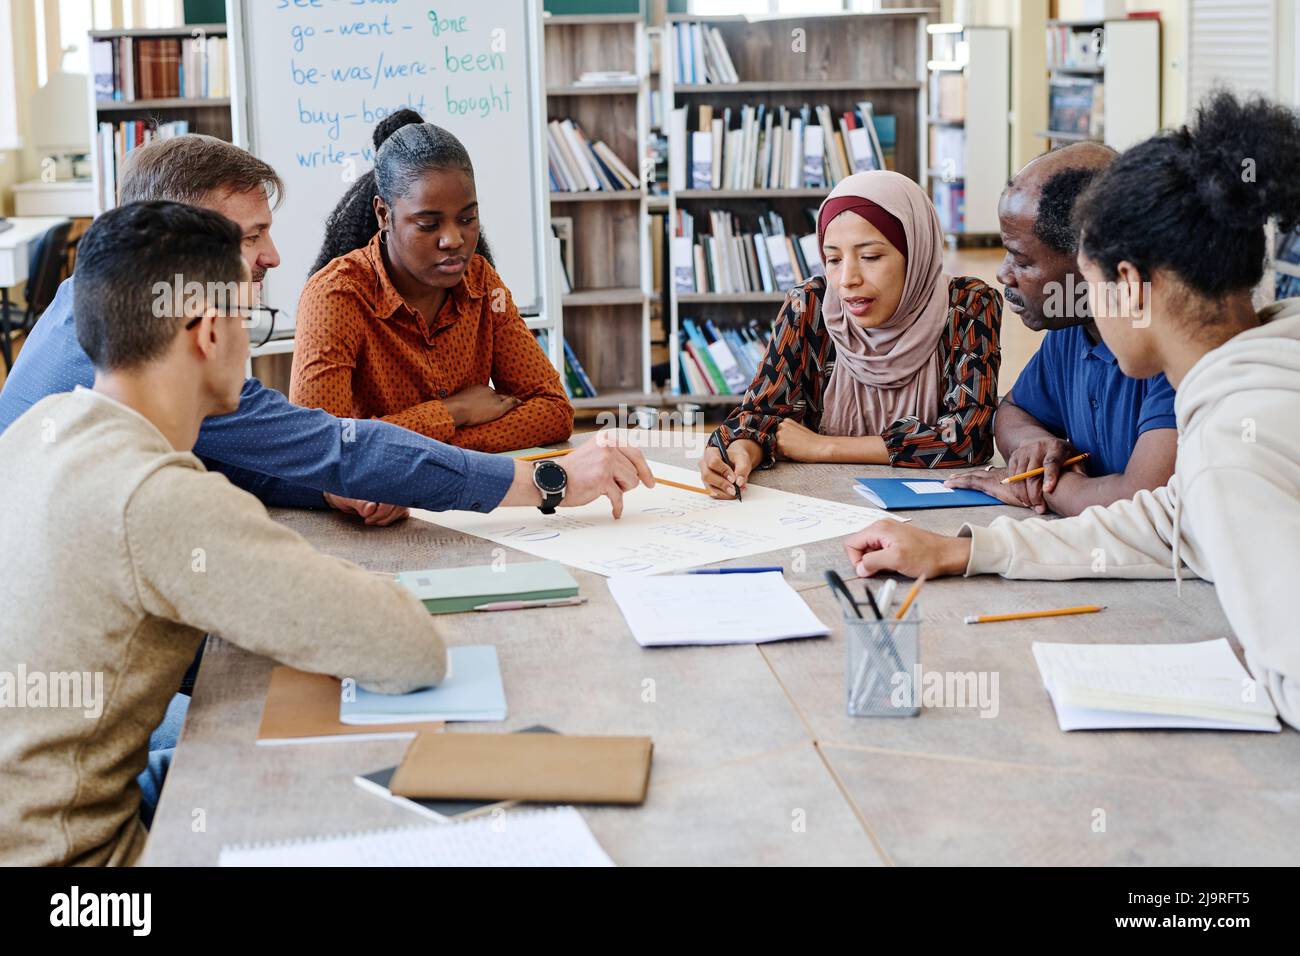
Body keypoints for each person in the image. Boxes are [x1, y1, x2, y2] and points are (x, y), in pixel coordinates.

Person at [0, 202, 449, 865]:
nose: (252, 338)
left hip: (36, 800)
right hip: (77, 863)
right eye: (250, 318)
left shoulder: (38, 432)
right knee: (370, 797)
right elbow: (409, 648)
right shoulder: (158, 496)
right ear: (209, 331)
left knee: (249, 723)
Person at [841, 91, 1300, 730]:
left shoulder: (1232, 445)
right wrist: (963, 552)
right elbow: (1160, 525)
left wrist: (1253, 669)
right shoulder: (1263, 366)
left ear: (1132, 286)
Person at [0, 133, 648, 523]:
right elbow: (335, 443)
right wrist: (549, 481)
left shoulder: (87, 301)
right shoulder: (162, 347)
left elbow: (246, 462)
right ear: (182, 239)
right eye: (252, 236)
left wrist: (339, 492)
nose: (273, 257)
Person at [698, 170, 1002, 499]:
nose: (847, 279)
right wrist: (742, 451)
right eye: (833, 259)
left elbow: (969, 438)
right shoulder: (810, 307)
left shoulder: (968, 305)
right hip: (820, 509)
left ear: (916, 252)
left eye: (870, 257)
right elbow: (762, 417)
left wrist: (824, 447)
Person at [291, 111, 572, 453]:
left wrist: (439, 452)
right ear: (384, 215)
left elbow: (554, 410)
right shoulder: (336, 296)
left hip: (465, 497)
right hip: (374, 503)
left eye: (467, 218)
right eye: (428, 225)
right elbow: (322, 445)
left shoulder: (481, 281)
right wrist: (455, 411)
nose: (454, 239)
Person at [944, 143, 1178, 516]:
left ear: (1090, 259)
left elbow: (1143, 503)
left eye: (1021, 260)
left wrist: (1043, 487)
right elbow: (1014, 408)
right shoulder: (1072, 321)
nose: (1004, 274)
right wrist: (1034, 445)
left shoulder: (1174, 350)